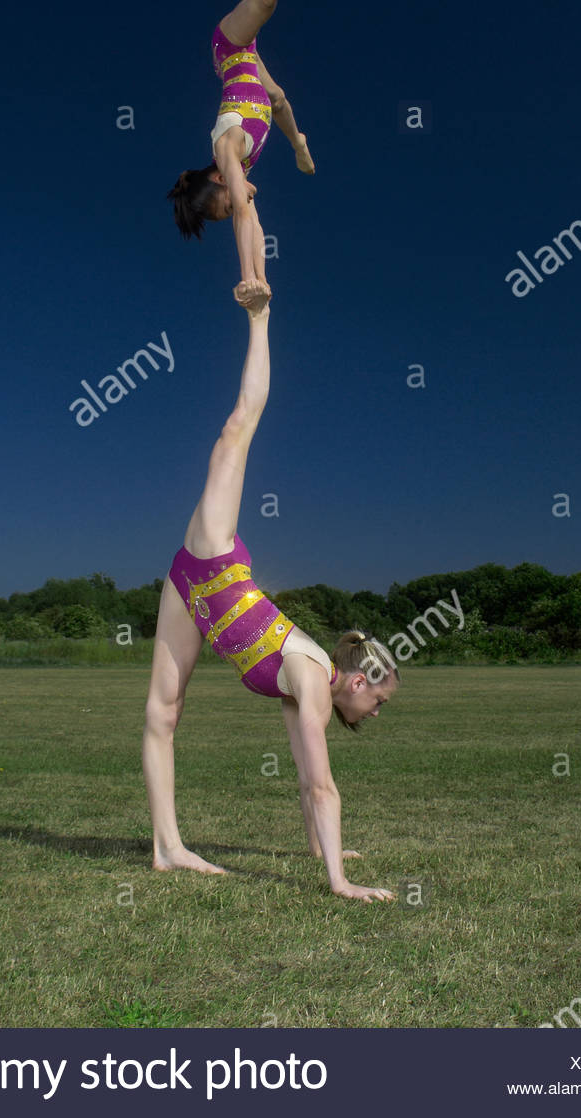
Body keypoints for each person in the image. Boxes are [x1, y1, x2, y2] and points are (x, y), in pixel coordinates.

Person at [142, 280, 398, 903]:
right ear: (358, 683)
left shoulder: (308, 688)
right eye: (382, 701)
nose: (376, 714)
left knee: (164, 714)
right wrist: (340, 881)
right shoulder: (313, 679)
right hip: (217, 563)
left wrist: (317, 843)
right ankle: (260, 317)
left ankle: (167, 847)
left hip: (190, 592)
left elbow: (303, 772)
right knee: (238, 428)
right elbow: (321, 786)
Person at [166, 0, 346, 295]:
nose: (237, 204)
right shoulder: (241, 168)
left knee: (265, 0)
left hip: (230, 48)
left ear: (220, 180)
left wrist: (245, 276)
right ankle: (299, 143)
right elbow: (256, 227)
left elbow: (243, 217)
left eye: (227, 203)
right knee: (278, 98)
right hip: (255, 75)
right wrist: (262, 283)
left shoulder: (226, 148)